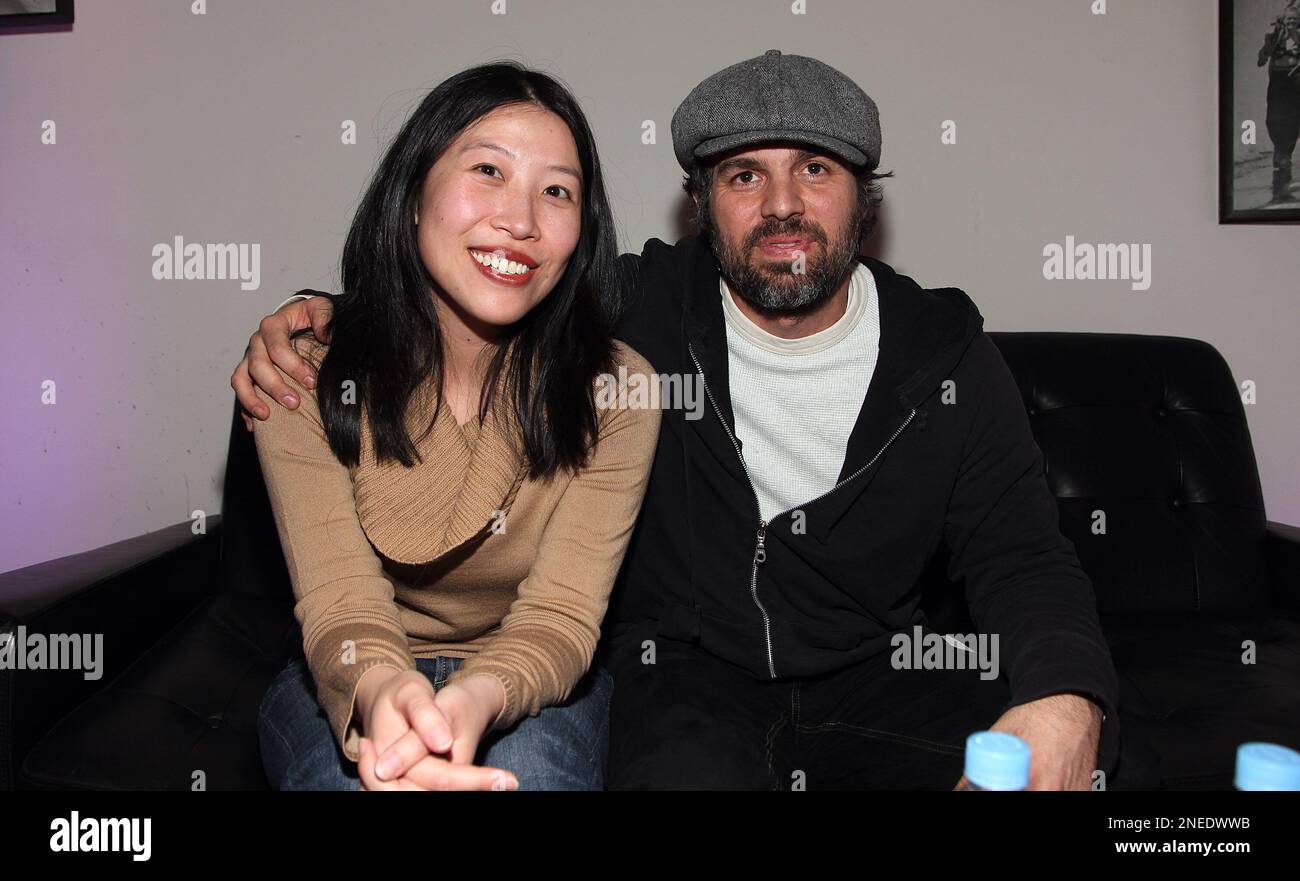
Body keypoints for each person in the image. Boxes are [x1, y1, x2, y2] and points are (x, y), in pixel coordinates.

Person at [236, 50, 1124, 790]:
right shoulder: (637, 310)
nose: (783, 205)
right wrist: (321, 314)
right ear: (700, 205)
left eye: (816, 169)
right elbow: (490, 272)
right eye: (745, 174)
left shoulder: (948, 357)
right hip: (689, 685)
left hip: (890, 677)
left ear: (867, 198)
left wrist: (1069, 697)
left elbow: (1024, 557)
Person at [249, 62, 660, 791]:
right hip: (347, 670)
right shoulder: (302, 370)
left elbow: (561, 616)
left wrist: (474, 698)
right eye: (488, 171)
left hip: (529, 682)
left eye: (556, 191)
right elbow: (339, 600)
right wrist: (382, 691)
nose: (522, 219)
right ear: (412, 196)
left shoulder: (618, 388)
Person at [1258, 2, 1300, 202]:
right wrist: (1265, 54)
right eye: (1288, 19)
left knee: (1293, 121)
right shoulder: (1275, 37)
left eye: (1294, 19)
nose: (1291, 22)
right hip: (1278, 84)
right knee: (1274, 120)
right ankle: (1281, 154)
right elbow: (1263, 54)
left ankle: (1284, 161)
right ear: (1283, 21)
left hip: (1295, 86)